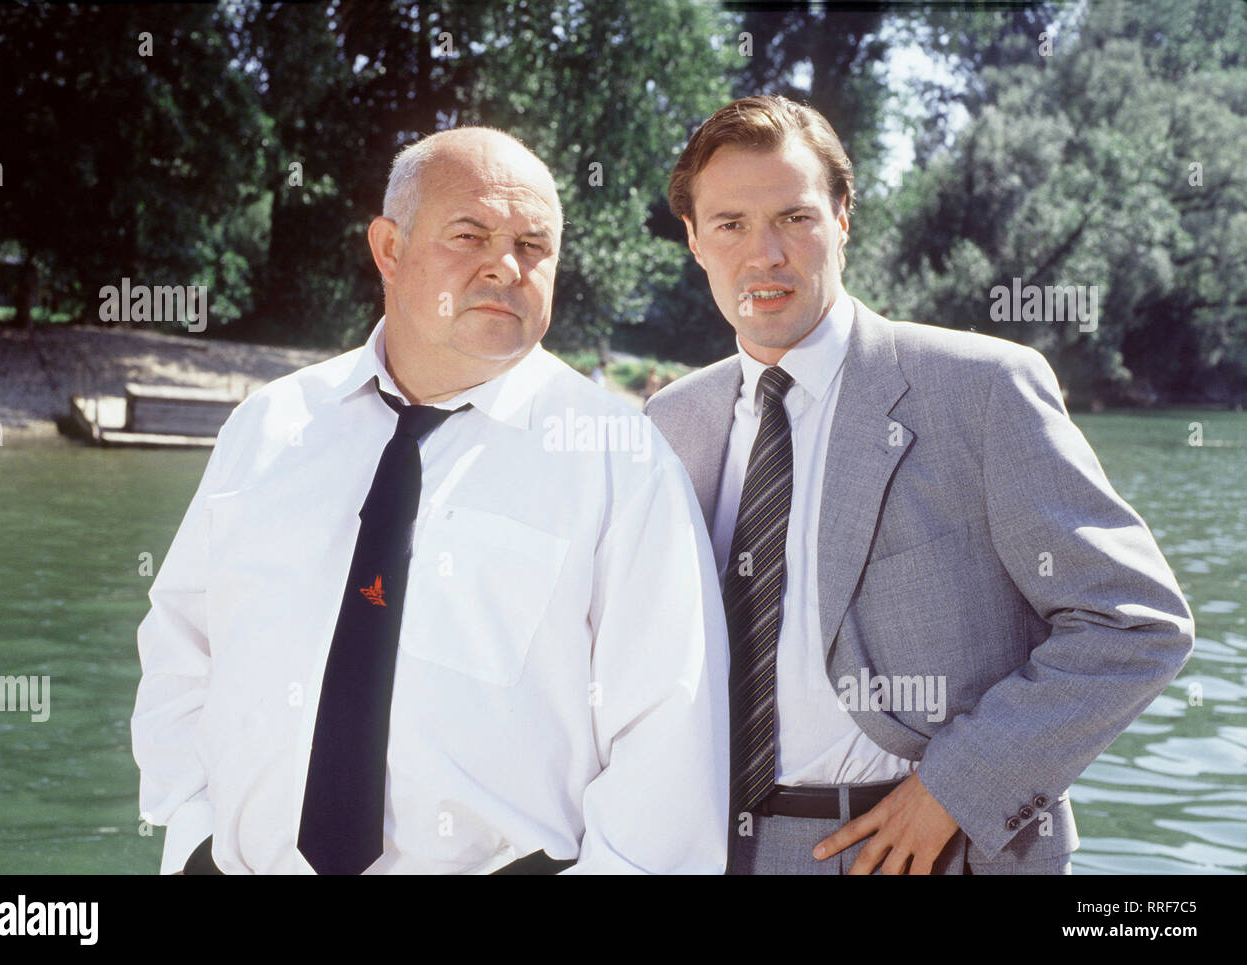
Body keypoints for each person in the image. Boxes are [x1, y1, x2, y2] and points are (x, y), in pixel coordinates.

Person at [131, 127, 729, 874]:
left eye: (534, 245)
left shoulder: (622, 463)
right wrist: (191, 836)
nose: (505, 266)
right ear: (389, 248)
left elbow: (669, 746)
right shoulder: (269, 426)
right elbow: (182, 643)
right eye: (470, 234)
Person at [645, 95, 1194, 875]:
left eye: (794, 218)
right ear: (696, 241)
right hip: (718, 853)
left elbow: (1134, 623)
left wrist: (956, 790)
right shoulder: (672, 421)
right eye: (731, 224)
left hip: (937, 850)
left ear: (841, 219)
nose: (764, 253)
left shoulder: (980, 387)